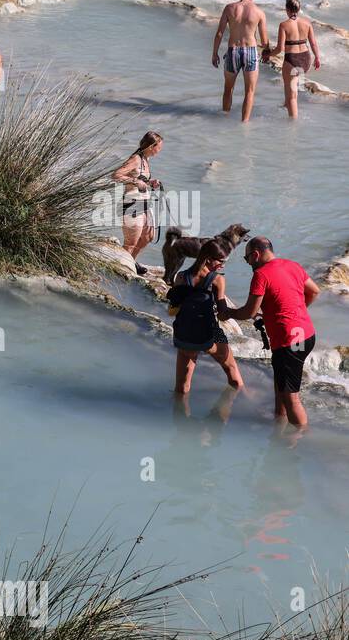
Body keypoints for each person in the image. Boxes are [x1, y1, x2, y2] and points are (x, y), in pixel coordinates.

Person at [218, 237, 320, 427]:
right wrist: (294, 312)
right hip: (307, 334)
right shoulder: (293, 265)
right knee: (281, 380)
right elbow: (314, 291)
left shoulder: (261, 275)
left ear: (255, 254)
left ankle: (296, 441)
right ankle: (278, 418)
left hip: (289, 340)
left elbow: (249, 312)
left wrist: (229, 313)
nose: (248, 263)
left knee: (292, 399)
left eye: (247, 259)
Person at [167, 240, 245, 395]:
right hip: (208, 336)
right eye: (221, 261)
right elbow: (222, 316)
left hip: (183, 336)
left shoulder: (180, 277)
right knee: (232, 370)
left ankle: (178, 417)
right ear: (209, 259)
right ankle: (241, 402)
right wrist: (242, 313)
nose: (222, 265)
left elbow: (173, 309)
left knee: (182, 388)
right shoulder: (217, 280)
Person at [212, 0, 270, 123]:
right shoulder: (259, 12)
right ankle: (244, 124)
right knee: (249, 92)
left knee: (228, 88)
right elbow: (264, 41)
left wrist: (215, 53)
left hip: (233, 51)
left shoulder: (229, 8)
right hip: (250, 52)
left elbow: (219, 33)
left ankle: (224, 118)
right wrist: (267, 53)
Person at [112, 131, 164, 275]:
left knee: (148, 236)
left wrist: (150, 182)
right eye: (159, 147)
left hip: (143, 204)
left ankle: (131, 263)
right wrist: (135, 181)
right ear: (151, 146)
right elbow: (116, 175)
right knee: (131, 242)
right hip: (132, 204)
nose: (160, 150)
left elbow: (139, 179)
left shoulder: (145, 160)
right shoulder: (135, 159)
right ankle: (121, 270)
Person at [272, 0, 320, 119]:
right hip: (306, 59)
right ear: (298, 9)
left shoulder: (283, 25)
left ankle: (293, 127)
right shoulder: (307, 23)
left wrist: (268, 55)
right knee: (293, 87)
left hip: (292, 60)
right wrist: (317, 58)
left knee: (291, 95)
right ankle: (285, 106)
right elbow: (313, 43)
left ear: (287, 10)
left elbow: (279, 49)